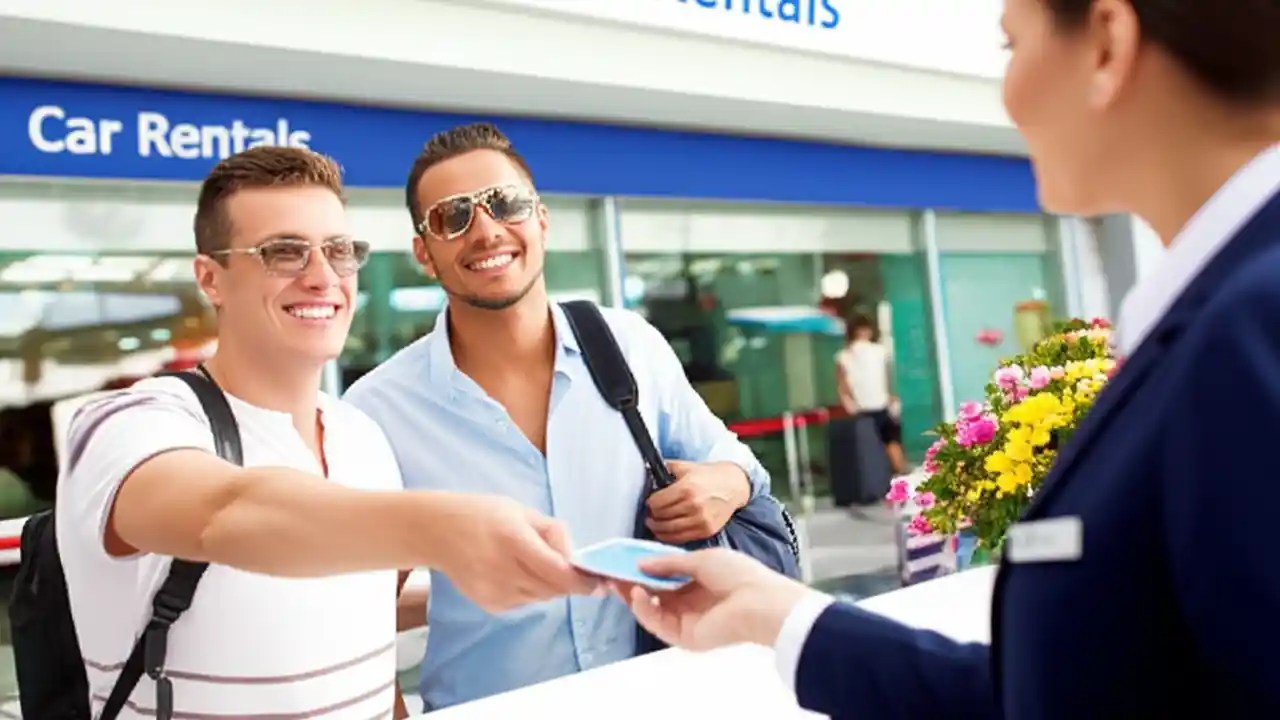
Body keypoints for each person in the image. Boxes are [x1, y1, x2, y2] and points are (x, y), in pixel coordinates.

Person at [614, 0, 1280, 717]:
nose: (1008, 96)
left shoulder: (1251, 327)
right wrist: (780, 614)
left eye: (1011, 45)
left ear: (1107, 43)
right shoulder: (1218, 314)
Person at [56, 146, 595, 719]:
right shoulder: (130, 423)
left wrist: (531, 582)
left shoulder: (361, 436)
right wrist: (446, 529)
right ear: (210, 279)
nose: (322, 277)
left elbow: (364, 628)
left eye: (339, 252)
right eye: (283, 253)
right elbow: (226, 514)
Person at [343, 122, 774, 710]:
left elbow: (735, 461)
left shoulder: (630, 345)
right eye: (452, 217)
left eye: (506, 204)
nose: (487, 230)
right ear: (424, 251)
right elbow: (352, 616)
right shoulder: (377, 412)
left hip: (659, 699)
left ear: (541, 220)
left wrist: (724, 485)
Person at [834, 312, 906, 475]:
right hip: (882, 404)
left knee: (868, 450)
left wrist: (850, 406)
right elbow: (889, 379)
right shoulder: (880, 351)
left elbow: (842, 385)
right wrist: (893, 399)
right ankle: (901, 477)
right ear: (869, 331)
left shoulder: (843, 356)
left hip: (860, 410)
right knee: (892, 442)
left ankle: (877, 482)